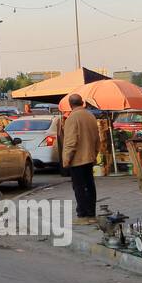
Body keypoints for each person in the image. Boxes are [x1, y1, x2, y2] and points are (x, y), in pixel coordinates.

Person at [61, 94, 100, 224]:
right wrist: (94, 153)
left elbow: (71, 141)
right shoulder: (90, 116)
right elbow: (97, 138)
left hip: (77, 159)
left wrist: (66, 159)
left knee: (79, 187)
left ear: (70, 104)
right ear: (82, 102)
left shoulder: (72, 118)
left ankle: (82, 215)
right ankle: (91, 214)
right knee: (90, 186)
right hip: (89, 157)